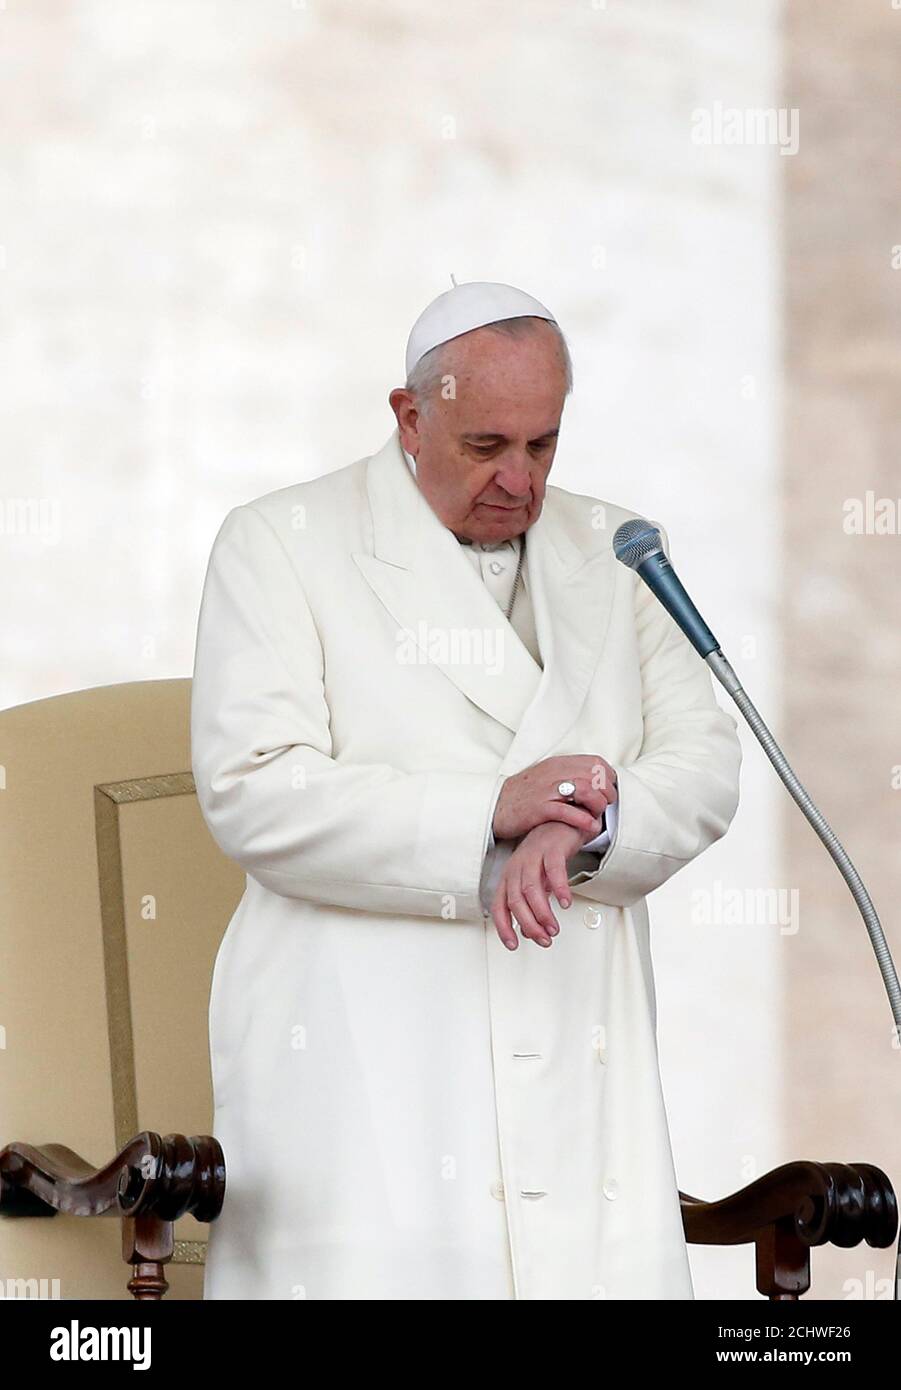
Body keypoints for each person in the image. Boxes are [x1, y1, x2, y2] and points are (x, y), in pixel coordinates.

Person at [190, 280, 742, 1300]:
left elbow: (701, 766)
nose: (518, 478)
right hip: (369, 1061)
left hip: (581, 1066)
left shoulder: (625, 551)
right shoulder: (281, 542)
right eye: (485, 445)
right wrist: (491, 811)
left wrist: (579, 828)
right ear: (409, 415)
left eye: (543, 445)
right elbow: (252, 791)